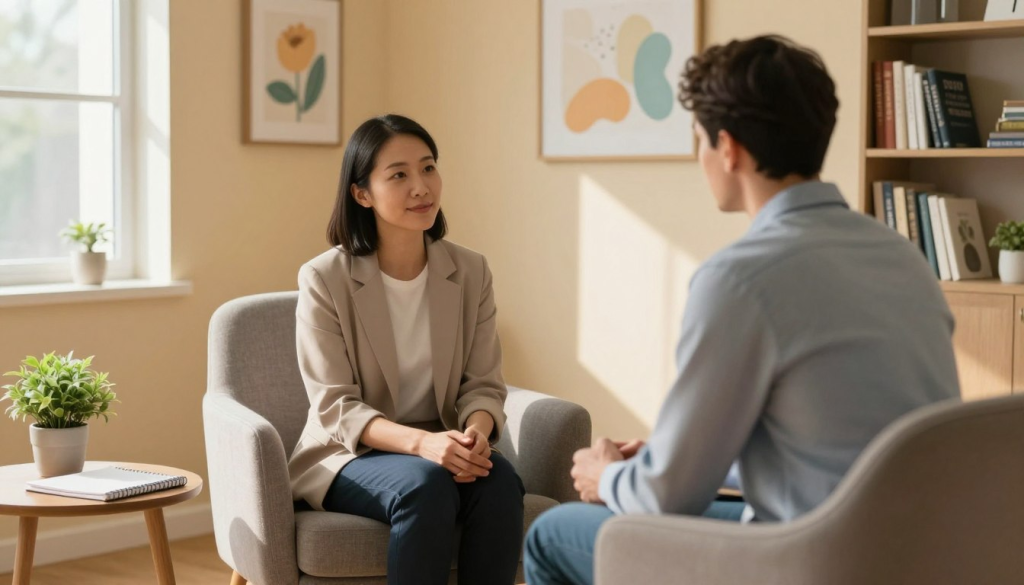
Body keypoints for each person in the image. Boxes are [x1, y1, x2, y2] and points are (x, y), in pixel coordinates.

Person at [524, 34, 960, 585]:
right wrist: (670, 452)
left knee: (556, 531)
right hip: (914, 552)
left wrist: (608, 474)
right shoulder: (903, 257)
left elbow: (664, 498)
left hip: (808, 560)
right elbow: (834, 444)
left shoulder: (738, 278)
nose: (698, 156)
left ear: (727, 149)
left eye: (699, 140)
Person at [287, 114, 525, 585]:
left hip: (441, 444)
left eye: (428, 168)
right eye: (399, 175)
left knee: (500, 482)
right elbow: (335, 406)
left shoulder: (470, 271)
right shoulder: (324, 279)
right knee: (427, 484)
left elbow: (482, 385)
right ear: (362, 193)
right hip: (349, 454)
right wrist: (422, 444)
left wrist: (475, 434)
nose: (421, 187)